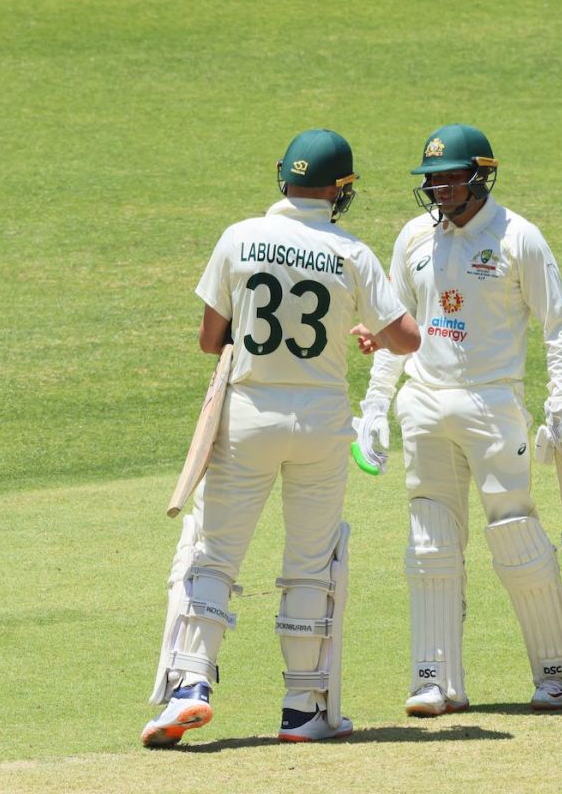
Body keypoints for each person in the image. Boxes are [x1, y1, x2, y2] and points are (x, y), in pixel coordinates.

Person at [142, 128, 420, 747]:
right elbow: (407, 339)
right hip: (322, 420)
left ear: (284, 178)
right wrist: (371, 331)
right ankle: (303, 709)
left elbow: (210, 339)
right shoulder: (352, 253)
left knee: (214, 552)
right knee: (309, 561)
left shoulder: (239, 236)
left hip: (249, 413)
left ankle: (190, 686)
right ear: (339, 189)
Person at [352, 124, 562, 716]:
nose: (439, 188)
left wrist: (560, 405)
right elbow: (393, 327)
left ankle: (557, 672)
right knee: (430, 541)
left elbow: (556, 325)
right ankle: (436, 679)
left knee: (513, 532)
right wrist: (374, 407)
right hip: (425, 401)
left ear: (481, 175)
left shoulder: (520, 238)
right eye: (432, 178)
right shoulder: (413, 236)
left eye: (451, 176)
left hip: (493, 405)